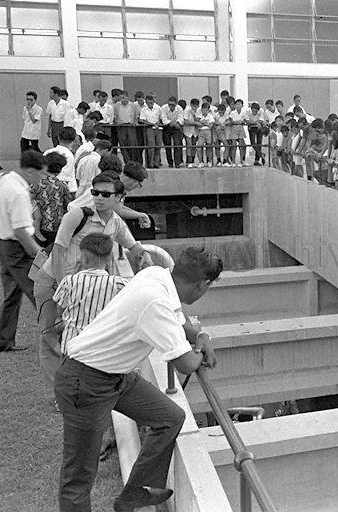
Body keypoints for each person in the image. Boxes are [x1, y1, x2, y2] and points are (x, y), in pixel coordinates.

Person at [54, 246, 221, 512]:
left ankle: (133, 495)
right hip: (85, 381)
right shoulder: (156, 301)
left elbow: (179, 323)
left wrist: (200, 337)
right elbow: (186, 363)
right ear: (203, 285)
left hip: (114, 377)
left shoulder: (158, 276)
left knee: (170, 418)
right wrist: (200, 351)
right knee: (79, 476)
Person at [33, 172, 153, 407]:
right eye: (95, 192)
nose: (98, 198)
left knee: (77, 337)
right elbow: (58, 250)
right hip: (53, 282)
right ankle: (60, 395)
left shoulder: (114, 222)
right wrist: (62, 285)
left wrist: (146, 256)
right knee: (50, 336)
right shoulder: (78, 215)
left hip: (81, 289)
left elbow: (132, 245)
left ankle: (77, 389)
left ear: (118, 197)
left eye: (105, 194)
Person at [0, 151, 44, 354]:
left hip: (3, 243)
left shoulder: (4, 179)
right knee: (40, 290)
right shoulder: (19, 193)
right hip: (18, 248)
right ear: (30, 171)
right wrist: (40, 255)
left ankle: (1, 341)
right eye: (40, 174)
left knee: (11, 294)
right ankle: (59, 335)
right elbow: (21, 231)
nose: (41, 179)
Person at [53, 233, 128, 356]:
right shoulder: (119, 284)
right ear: (109, 257)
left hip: (72, 350)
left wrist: (74, 273)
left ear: (82, 257)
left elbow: (60, 311)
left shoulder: (69, 281)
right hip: (102, 351)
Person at [34, 152, 73, 248]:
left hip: (39, 226)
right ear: (60, 170)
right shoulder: (62, 185)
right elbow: (68, 205)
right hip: (57, 226)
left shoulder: (35, 183)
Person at [44, 127, 78, 194]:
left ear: (58, 137)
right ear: (74, 140)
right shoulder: (70, 156)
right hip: (65, 190)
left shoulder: (47, 152)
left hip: (47, 188)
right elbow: (64, 177)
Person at [139, 95, 164, 168]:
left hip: (158, 128)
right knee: (151, 146)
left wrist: (158, 123)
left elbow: (161, 118)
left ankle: (156, 163)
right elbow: (143, 120)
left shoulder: (158, 108)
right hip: (149, 128)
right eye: (149, 103)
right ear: (146, 102)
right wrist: (152, 123)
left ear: (153, 102)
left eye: (151, 103)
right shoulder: (143, 109)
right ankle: (151, 163)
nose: (150, 104)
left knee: (158, 145)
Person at [114, 92, 138, 164]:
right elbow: (115, 117)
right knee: (123, 145)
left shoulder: (133, 105)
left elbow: (136, 116)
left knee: (132, 144)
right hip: (121, 127)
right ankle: (127, 161)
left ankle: (133, 161)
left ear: (127, 97)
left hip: (130, 126)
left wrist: (135, 122)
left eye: (124, 98)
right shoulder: (117, 105)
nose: (122, 100)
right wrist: (117, 121)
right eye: (121, 98)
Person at [161, 96, 184, 168]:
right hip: (167, 127)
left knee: (177, 144)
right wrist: (170, 122)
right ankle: (170, 162)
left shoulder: (179, 108)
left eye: (173, 105)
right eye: (169, 104)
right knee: (167, 145)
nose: (171, 106)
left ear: (176, 104)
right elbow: (163, 118)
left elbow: (181, 119)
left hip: (176, 127)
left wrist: (176, 123)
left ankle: (177, 162)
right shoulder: (164, 108)